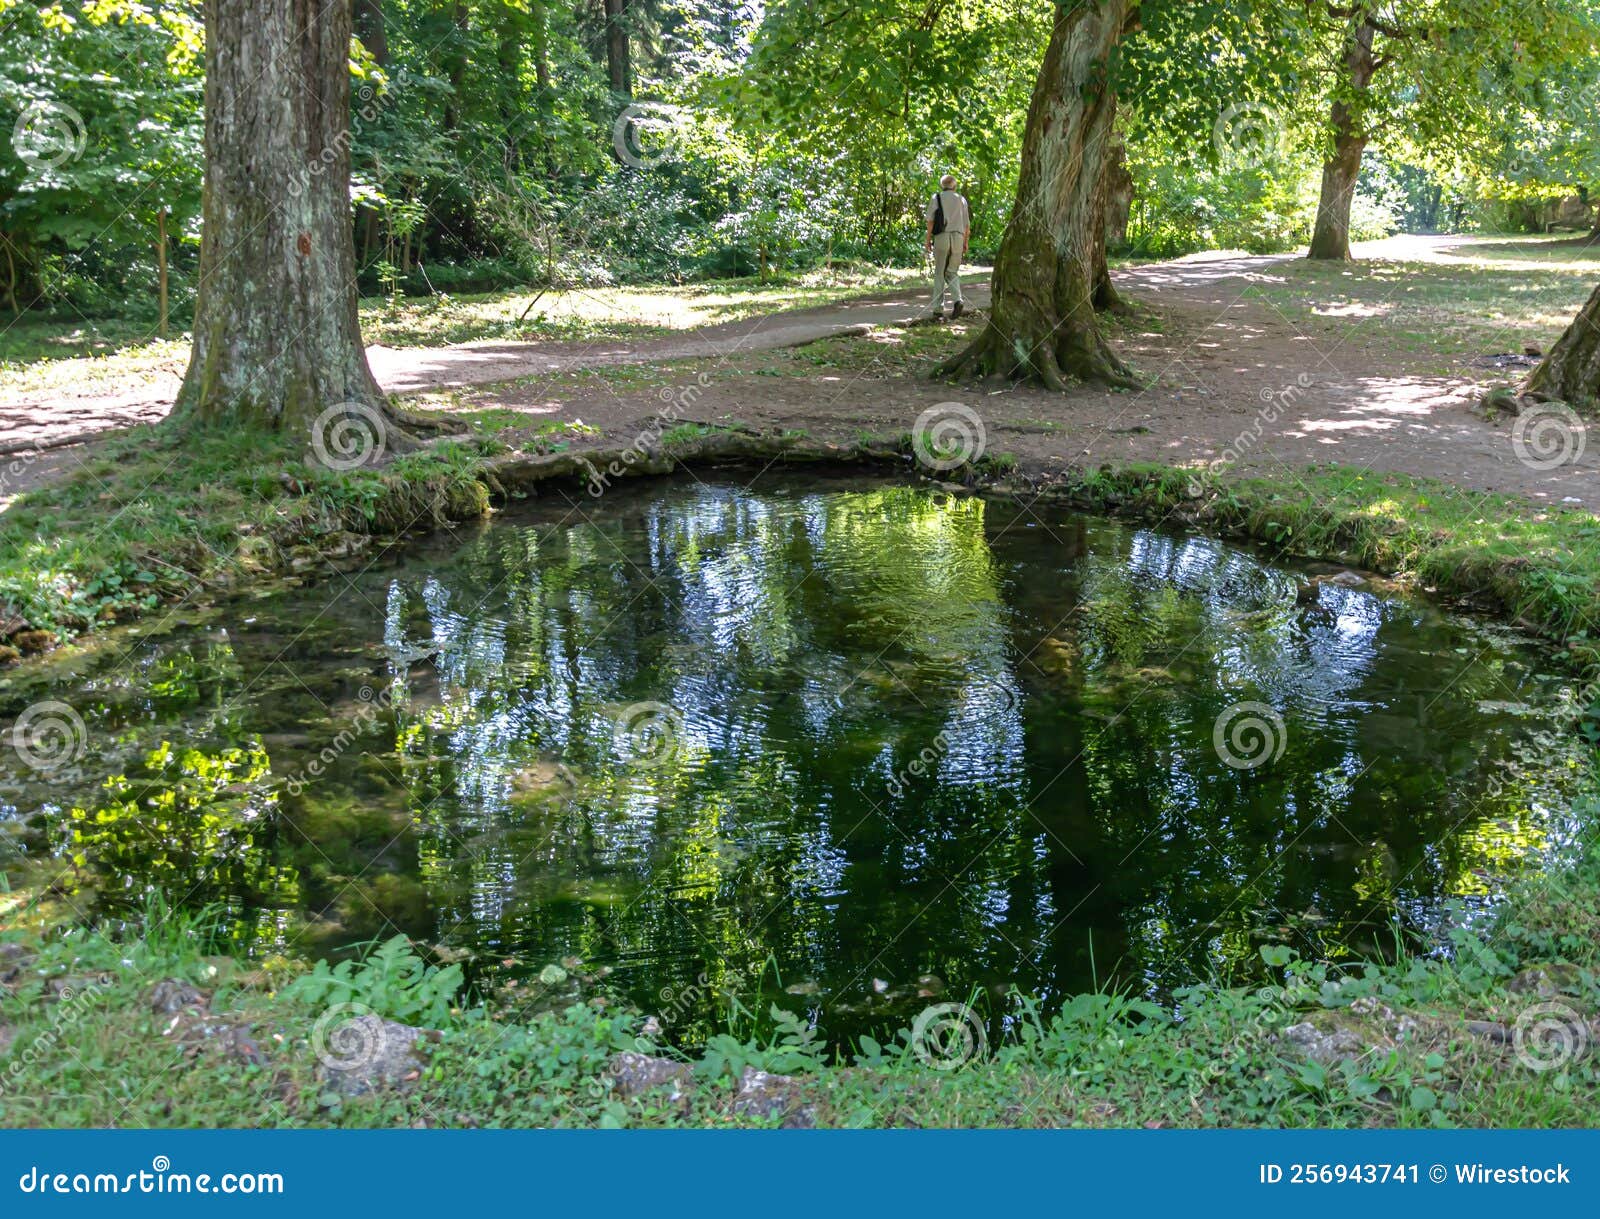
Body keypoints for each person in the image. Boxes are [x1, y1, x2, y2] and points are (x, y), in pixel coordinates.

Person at [923, 174, 971, 319]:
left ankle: (938, 310)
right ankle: (958, 300)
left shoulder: (936, 198)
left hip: (942, 237)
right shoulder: (961, 200)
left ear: (942, 185)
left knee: (939, 273)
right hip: (958, 237)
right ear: (954, 186)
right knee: (952, 272)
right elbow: (967, 225)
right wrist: (965, 242)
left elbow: (930, 221)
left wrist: (927, 240)